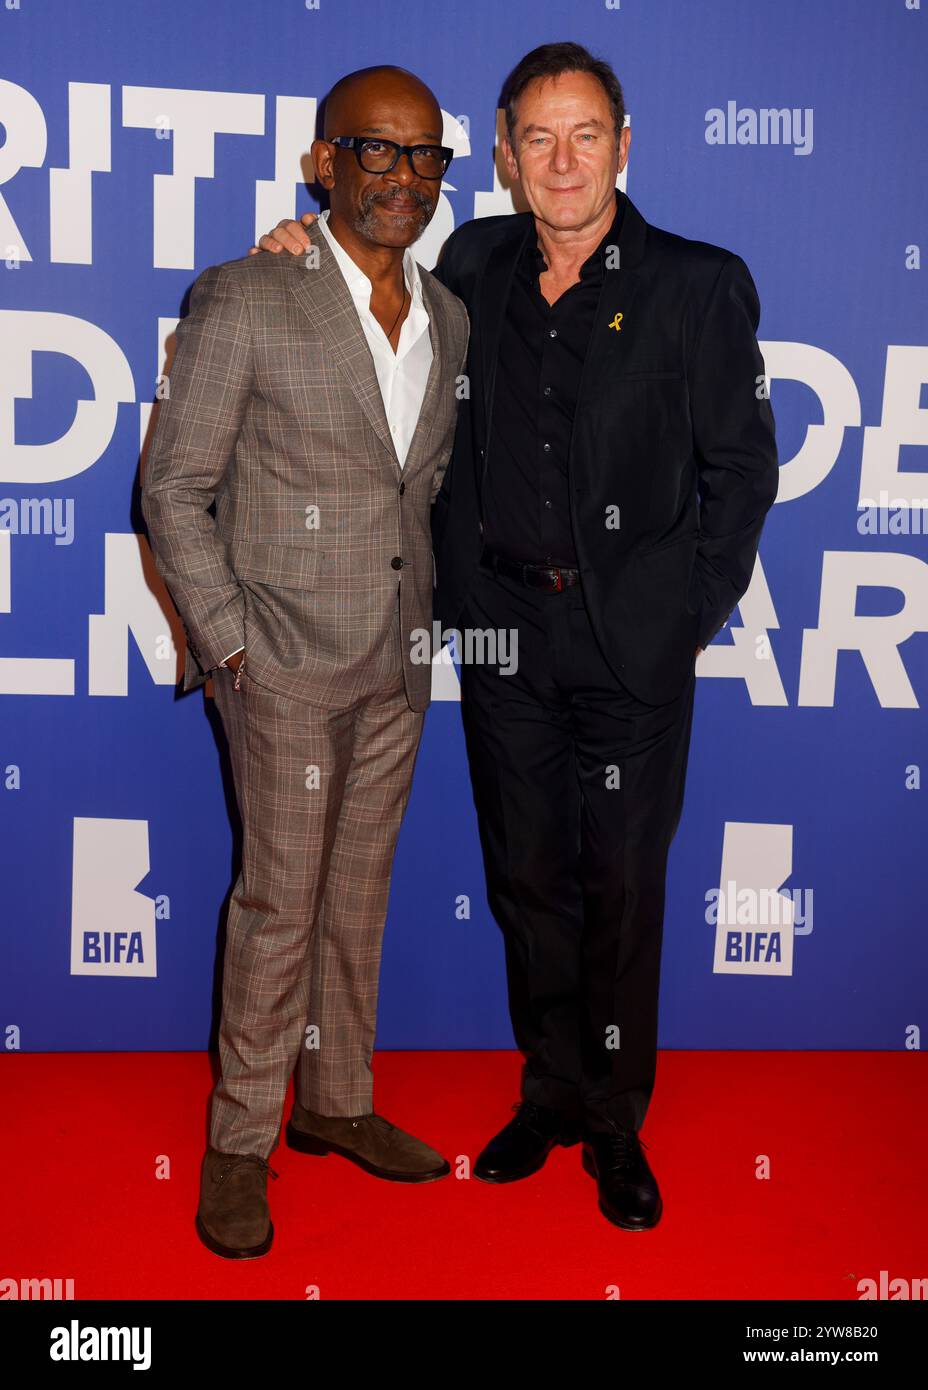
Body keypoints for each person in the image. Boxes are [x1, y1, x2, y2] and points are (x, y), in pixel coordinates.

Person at [254, 42, 779, 1230]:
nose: (560, 159)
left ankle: (612, 1119)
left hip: (629, 647)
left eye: (583, 134)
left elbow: (742, 477)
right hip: (498, 636)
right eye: (534, 138)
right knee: (528, 881)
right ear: (499, 156)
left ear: (625, 145)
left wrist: (675, 619)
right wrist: (291, 245)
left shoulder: (699, 285)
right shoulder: (473, 259)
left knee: (622, 890)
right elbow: (358, 294)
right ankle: (547, 1096)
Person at [142, 65, 469, 1259]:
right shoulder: (245, 295)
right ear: (321, 164)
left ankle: (334, 1103)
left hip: (397, 658)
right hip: (275, 660)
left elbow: (412, 491)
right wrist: (229, 642)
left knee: (357, 893)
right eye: (374, 151)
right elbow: (173, 489)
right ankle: (238, 1144)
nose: (402, 176)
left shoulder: (451, 317)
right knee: (279, 905)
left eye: (424, 155)